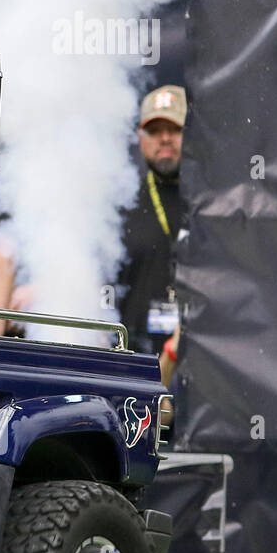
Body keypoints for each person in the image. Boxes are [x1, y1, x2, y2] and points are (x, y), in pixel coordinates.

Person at [119, 85, 186, 368]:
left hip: (203, 365)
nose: (165, 138)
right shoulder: (120, 199)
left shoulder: (217, 200)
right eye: (155, 130)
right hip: (136, 362)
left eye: (174, 129)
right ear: (140, 137)